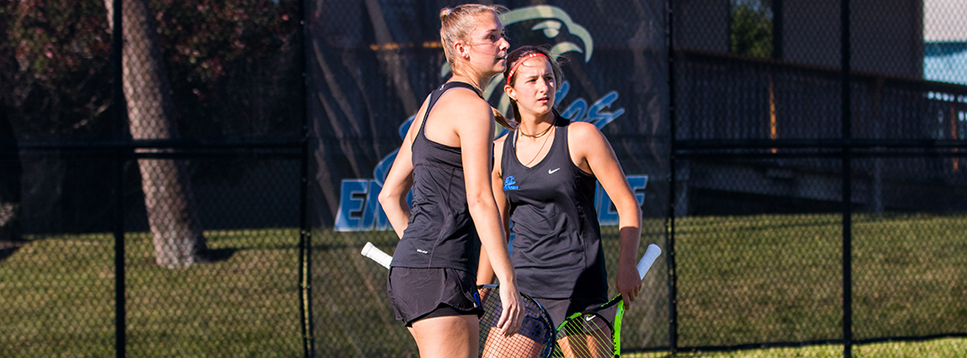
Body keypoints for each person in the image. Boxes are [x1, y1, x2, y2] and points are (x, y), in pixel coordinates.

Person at [377, 4, 523, 358]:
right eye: (492, 37)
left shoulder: (434, 102)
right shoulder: (472, 108)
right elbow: (480, 199)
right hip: (437, 275)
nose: (504, 44)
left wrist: (419, 253)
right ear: (462, 49)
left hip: (421, 271)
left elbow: (389, 195)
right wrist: (507, 280)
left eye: (502, 35)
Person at [478, 45, 643, 356]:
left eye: (549, 78)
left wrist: (627, 265)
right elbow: (495, 231)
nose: (544, 87)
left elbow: (627, 205)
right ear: (511, 90)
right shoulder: (499, 152)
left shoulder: (582, 136)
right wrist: (482, 290)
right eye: (532, 81)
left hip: (580, 290)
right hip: (525, 292)